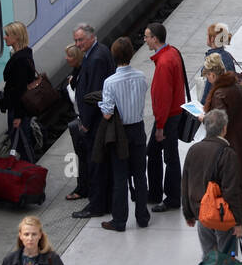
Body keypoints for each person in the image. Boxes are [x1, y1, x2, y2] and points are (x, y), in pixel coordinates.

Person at [181, 108, 242, 265]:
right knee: (226, 262)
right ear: (224, 128)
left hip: (202, 215)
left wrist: (188, 212)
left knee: (210, 258)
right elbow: (232, 191)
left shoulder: (194, 150)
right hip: (223, 219)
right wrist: (238, 222)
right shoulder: (227, 154)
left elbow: (185, 182)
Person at [97, 37, 150, 232]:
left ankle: (119, 221)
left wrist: (100, 104)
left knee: (120, 178)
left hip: (119, 133)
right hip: (138, 128)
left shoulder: (109, 82)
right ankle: (142, 216)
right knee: (140, 175)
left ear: (113, 56)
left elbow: (108, 112)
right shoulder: (141, 76)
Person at [70, 23, 116, 220]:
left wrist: (86, 123)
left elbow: (94, 95)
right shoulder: (99, 51)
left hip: (96, 122)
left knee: (95, 163)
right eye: (76, 40)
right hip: (98, 121)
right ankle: (104, 202)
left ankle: (96, 206)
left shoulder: (96, 58)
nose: (78, 44)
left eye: (80, 40)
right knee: (100, 163)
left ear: (91, 37)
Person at [144, 22, 188, 213]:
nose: (145, 40)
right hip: (174, 113)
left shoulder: (163, 63)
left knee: (168, 156)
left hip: (168, 117)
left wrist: (160, 126)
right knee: (156, 153)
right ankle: (156, 193)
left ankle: (171, 198)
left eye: (147, 36)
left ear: (155, 39)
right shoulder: (172, 52)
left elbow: (162, 98)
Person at [202, 52, 242, 168]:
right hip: (237, 142)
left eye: (207, 75)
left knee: (224, 180)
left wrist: (204, 118)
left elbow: (219, 123)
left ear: (212, 75)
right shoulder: (234, 85)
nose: (207, 79)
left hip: (224, 148)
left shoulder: (219, 93)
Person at [0, 21, 35, 150]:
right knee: (22, 142)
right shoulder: (24, 55)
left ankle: (26, 168)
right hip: (19, 108)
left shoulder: (20, 60)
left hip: (18, 110)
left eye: (7, 35)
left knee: (21, 143)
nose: (5, 37)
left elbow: (20, 89)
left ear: (17, 37)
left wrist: (18, 116)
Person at [61, 43, 90, 201]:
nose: (66, 58)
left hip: (82, 120)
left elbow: (76, 99)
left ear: (77, 58)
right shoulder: (80, 71)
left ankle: (83, 188)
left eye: (70, 56)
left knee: (83, 156)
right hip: (83, 119)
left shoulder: (79, 76)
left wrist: (68, 87)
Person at [200, 22, 237, 103]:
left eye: (208, 36)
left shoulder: (213, 59)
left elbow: (208, 88)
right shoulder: (227, 56)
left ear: (212, 39)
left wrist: (202, 106)